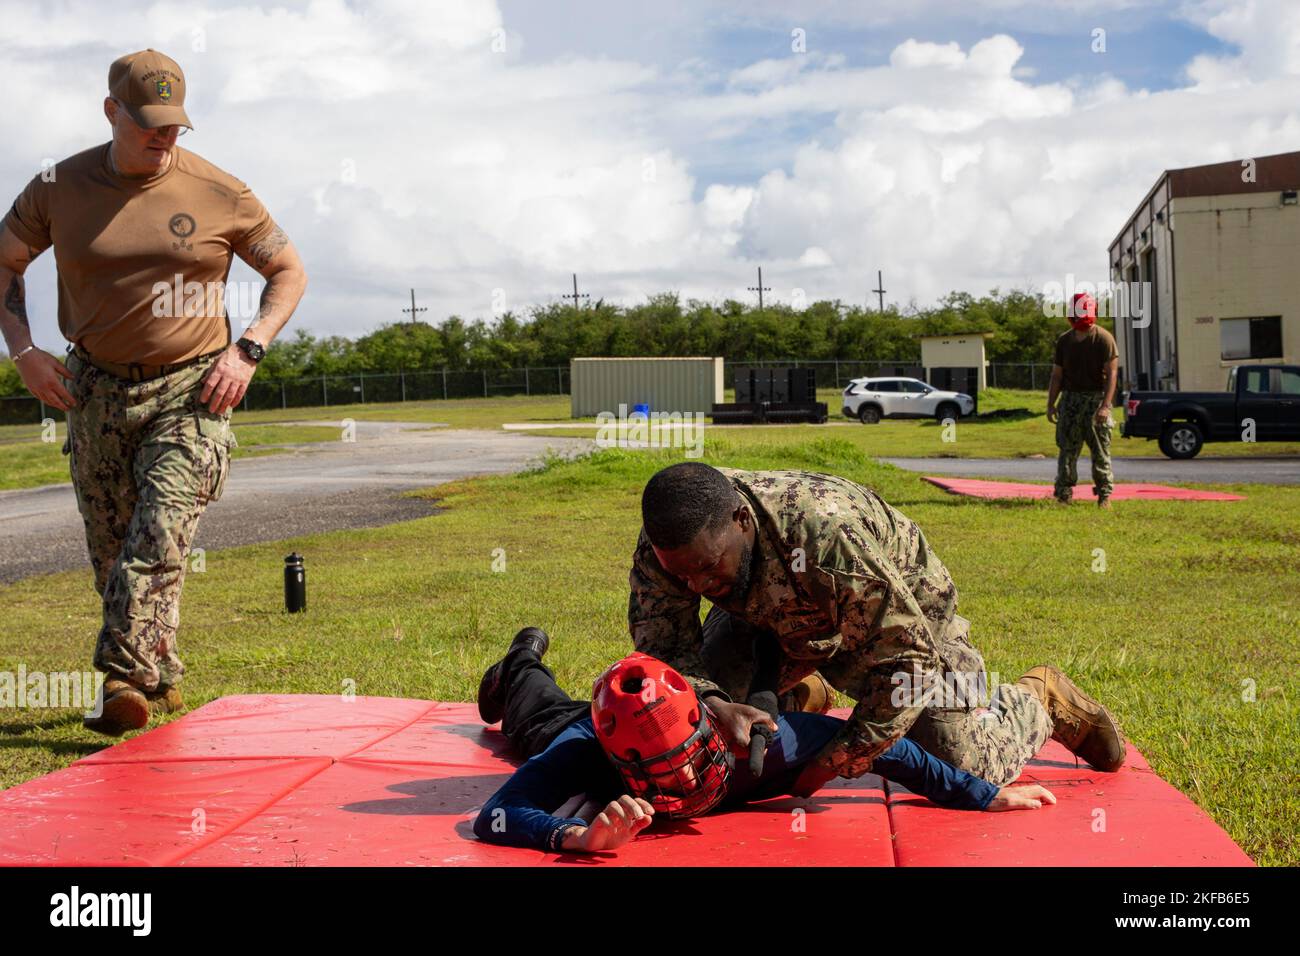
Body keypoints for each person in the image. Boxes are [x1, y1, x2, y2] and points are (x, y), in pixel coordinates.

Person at [0, 49, 308, 735]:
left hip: (192, 389)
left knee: (160, 534)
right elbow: (6, 261)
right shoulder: (58, 185)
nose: (163, 136)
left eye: (174, 124)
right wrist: (22, 352)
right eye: (147, 123)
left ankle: (119, 679)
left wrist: (249, 347)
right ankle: (159, 669)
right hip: (95, 389)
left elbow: (288, 269)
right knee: (112, 556)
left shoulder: (222, 191)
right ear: (112, 111)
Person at [628, 462, 1127, 799]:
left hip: (906, 618)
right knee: (692, 728)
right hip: (770, 620)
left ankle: (1037, 699)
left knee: (965, 763)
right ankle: (805, 684)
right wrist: (715, 702)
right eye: (683, 575)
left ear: (741, 519)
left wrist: (837, 759)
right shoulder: (671, 544)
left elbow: (906, 658)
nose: (695, 584)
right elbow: (665, 647)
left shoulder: (823, 536)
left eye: (709, 568)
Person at [472, 629, 1057, 853]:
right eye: (658, 772)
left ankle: (804, 693)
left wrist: (974, 792)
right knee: (538, 720)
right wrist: (574, 835)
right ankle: (519, 664)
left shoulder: (761, 743)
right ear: (613, 758)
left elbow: (877, 744)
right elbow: (493, 816)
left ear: (713, 732)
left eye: (689, 761)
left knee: (813, 730)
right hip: (571, 728)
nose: (684, 784)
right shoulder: (582, 748)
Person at [1046, 292, 1119, 507]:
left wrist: (1105, 406)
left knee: (1100, 449)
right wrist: (1051, 404)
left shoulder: (1104, 338)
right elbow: (1057, 375)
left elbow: (1112, 374)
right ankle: (1064, 494)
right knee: (1067, 449)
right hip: (1070, 400)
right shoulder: (1064, 341)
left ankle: (1104, 495)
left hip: (1096, 399)